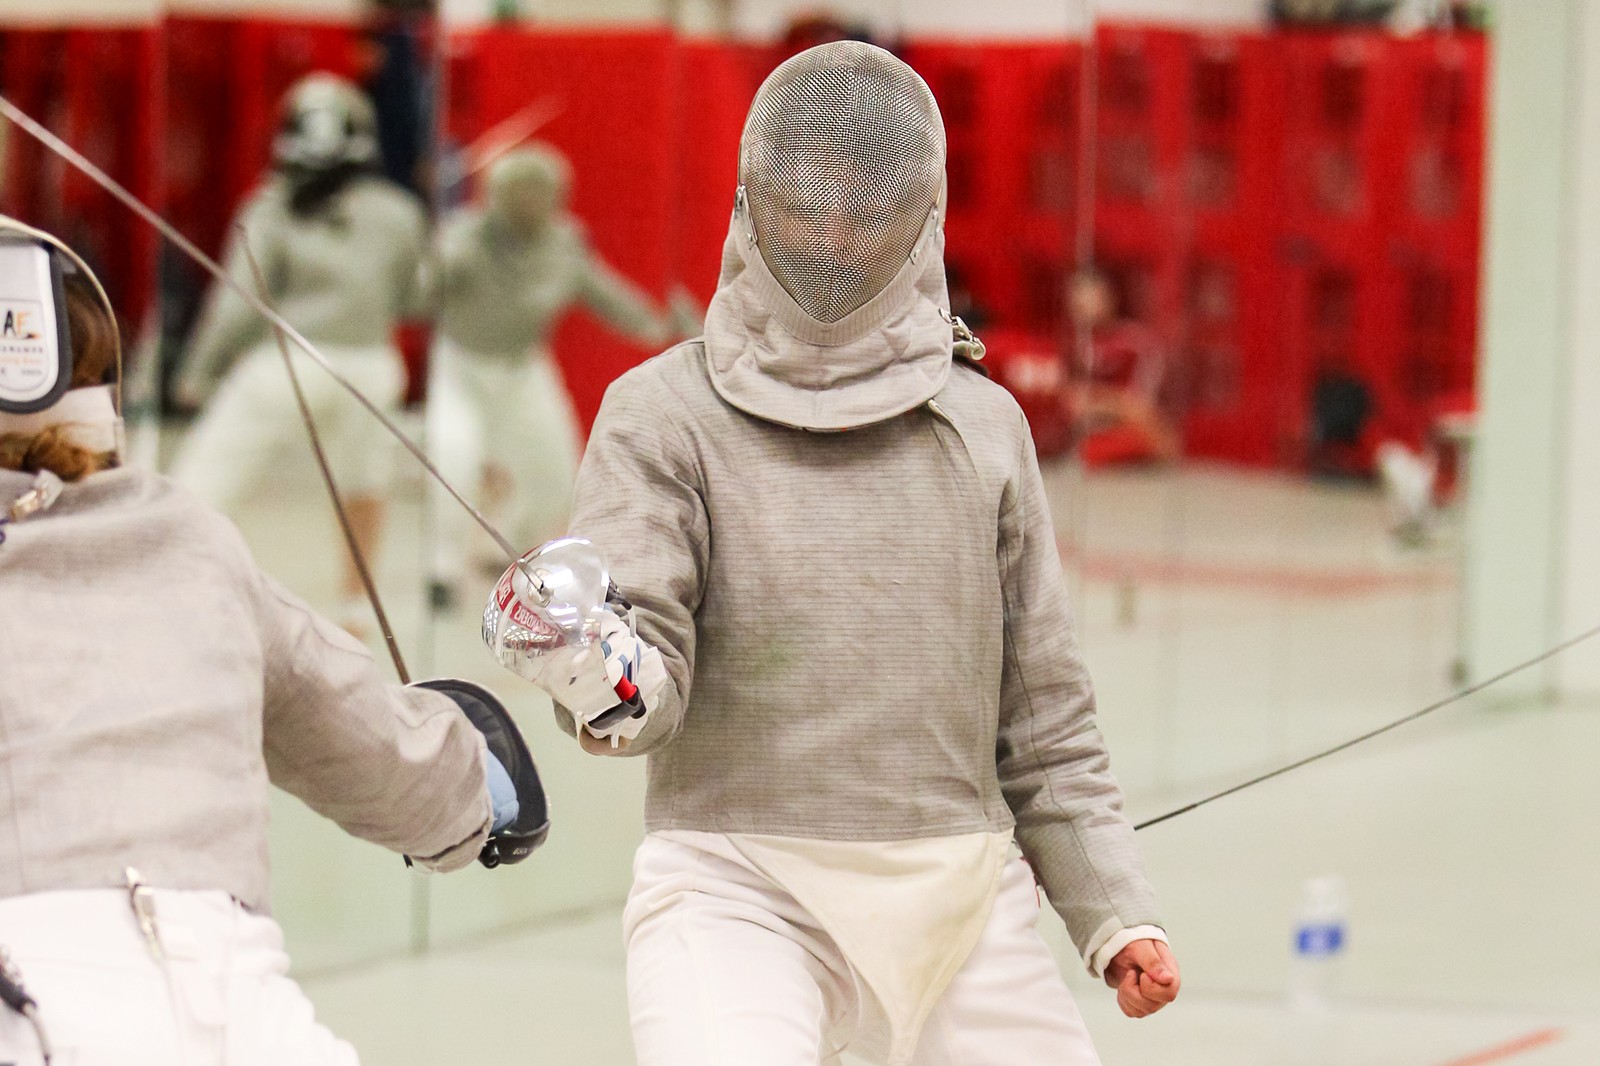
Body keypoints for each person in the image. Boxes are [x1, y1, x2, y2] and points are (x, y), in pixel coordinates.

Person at [487, 43, 1178, 1066]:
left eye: (865, 207)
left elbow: (1043, 714)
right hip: (734, 889)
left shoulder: (982, 427)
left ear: (919, 217)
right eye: (808, 203)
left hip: (959, 905)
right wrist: (591, 660)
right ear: (756, 201)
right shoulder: (663, 412)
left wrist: (1111, 909)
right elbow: (641, 683)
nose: (833, 232)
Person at [0, 217, 547, 1065]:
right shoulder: (184, 539)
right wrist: (480, 793)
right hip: (237, 1005)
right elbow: (369, 747)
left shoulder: (189, 542)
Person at [170, 72, 428, 635]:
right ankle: (357, 607)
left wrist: (198, 373)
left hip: (286, 367)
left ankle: (173, 584)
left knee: (202, 480)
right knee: (364, 484)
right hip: (372, 369)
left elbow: (238, 303)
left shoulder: (269, 204)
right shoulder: (400, 210)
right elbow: (413, 301)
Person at [425, 143, 695, 608]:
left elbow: (599, 291)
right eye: (519, 191)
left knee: (556, 473)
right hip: (461, 366)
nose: (530, 201)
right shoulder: (464, 237)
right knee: (454, 458)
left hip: (525, 368)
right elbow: (423, 289)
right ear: (497, 194)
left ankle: (505, 547)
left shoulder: (564, 242)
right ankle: (443, 568)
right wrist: (441, 264)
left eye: (540, 191)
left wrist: (654, 323)